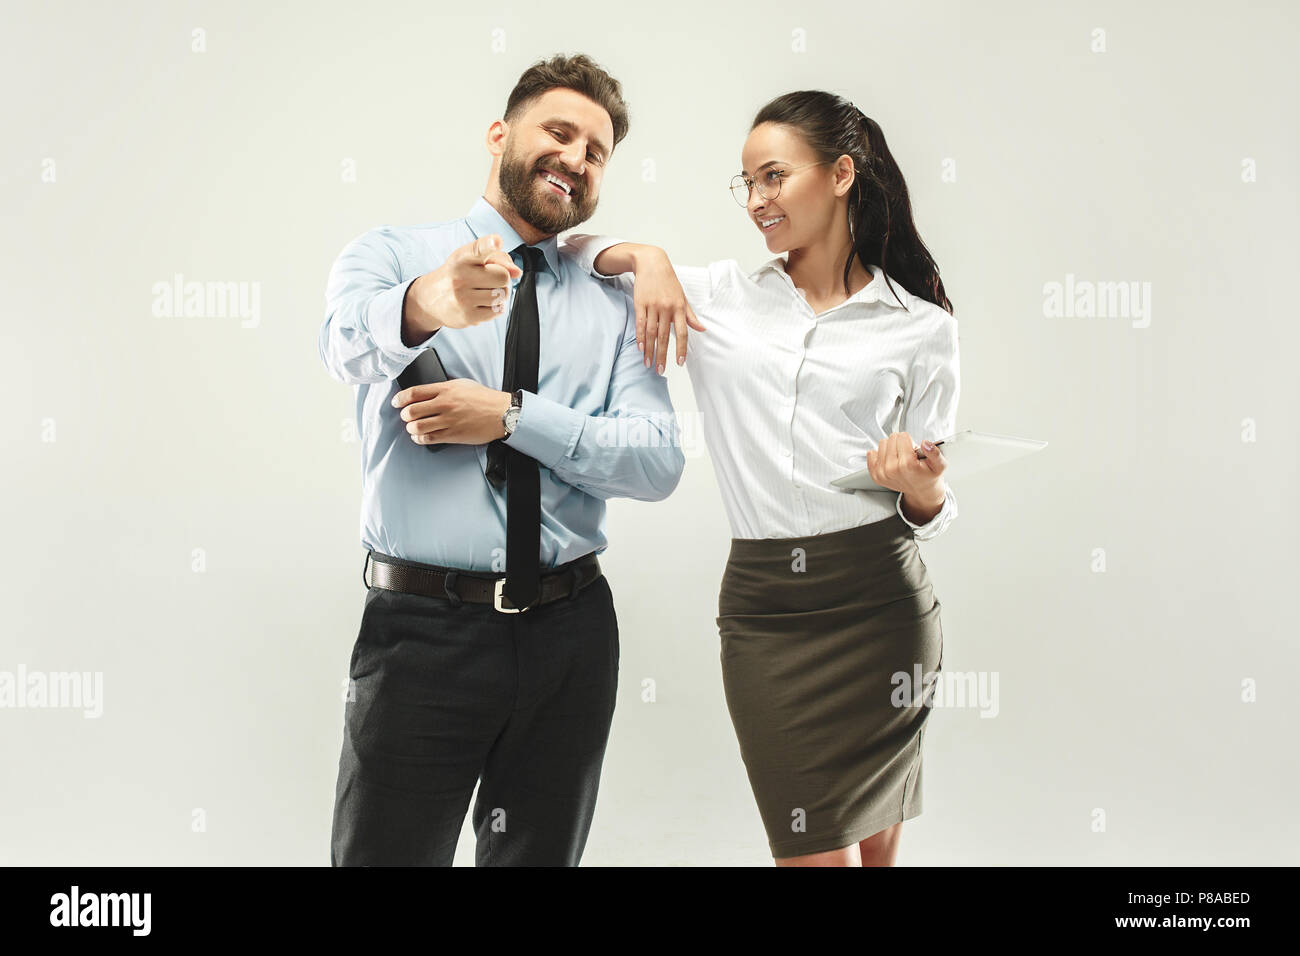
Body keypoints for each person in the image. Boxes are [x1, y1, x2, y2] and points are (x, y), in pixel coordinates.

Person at [561, 90, 960, 866]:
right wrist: (649, 260)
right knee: (811, 850)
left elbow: (936, 502)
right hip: (766, 615)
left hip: (884, 605)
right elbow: (568, 252)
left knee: (874, 861)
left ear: (841, 173)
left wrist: (919, 490)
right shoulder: (715, 296)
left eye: (774, 177)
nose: (757, 200)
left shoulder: (923, 327)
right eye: (747, 183)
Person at [318, 53, 684, 866]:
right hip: (422, 633)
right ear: (499, 135)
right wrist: (425, 306)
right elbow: (341, 348)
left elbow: (657, 463)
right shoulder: (391, 255)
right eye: (559, 132)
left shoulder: (615, 298)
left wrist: (511, 417)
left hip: (572, 635)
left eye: (596, 152)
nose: (576, 159)